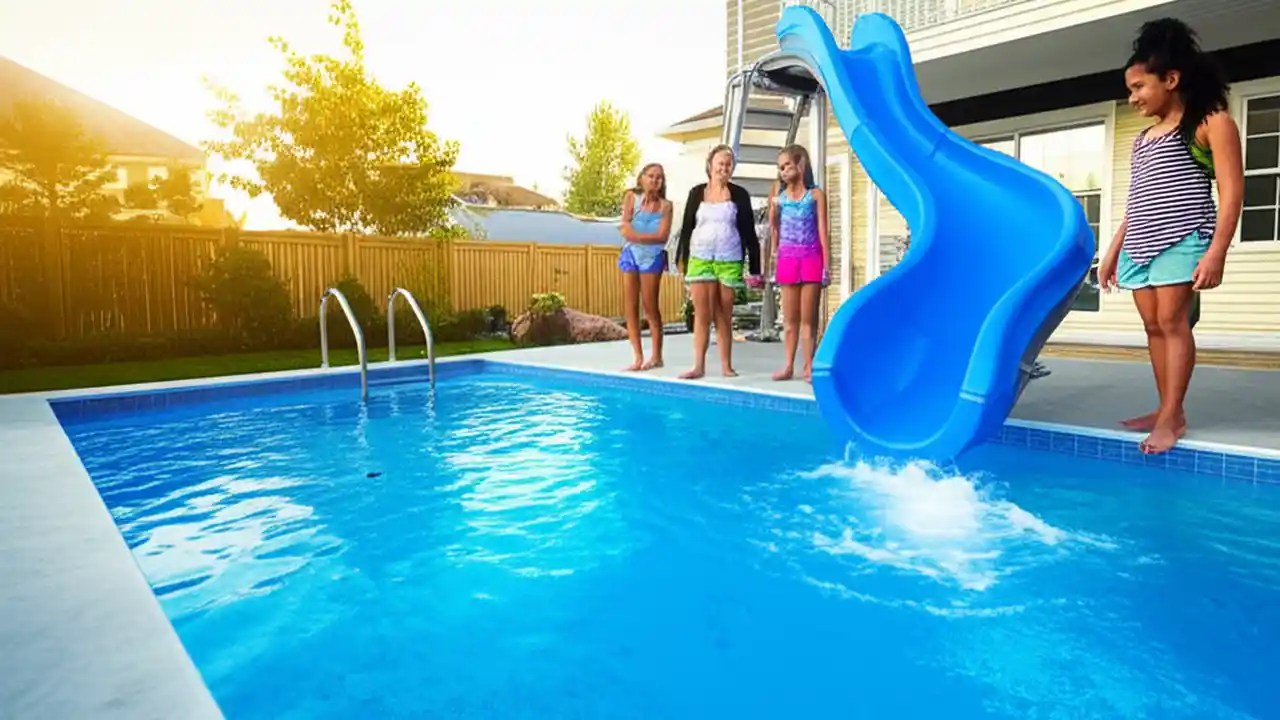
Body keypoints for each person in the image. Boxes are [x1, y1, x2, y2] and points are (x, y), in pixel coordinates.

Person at [1097, 18, 1243, 455]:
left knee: (1173, 324)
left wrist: (1217, 252)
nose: (1132, 97)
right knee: (1152, 327)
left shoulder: (1211, 123)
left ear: (1171, 79)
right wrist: (1112, 251)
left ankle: (1170, 417)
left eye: (1139, 87)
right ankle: (1167, 410)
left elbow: (1232, 191)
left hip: (1184, 240)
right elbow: (1136, 201)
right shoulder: (1142, 139)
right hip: (1140, 244)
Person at [674, 144, 763, 379]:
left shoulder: (739, 194)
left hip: (729, 258)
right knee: (702, 315)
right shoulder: (697, 193)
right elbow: (686, 228)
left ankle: (726, 366)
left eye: (728, 163)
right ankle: (698, 366)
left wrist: (755, 267)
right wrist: (681, 258)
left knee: (724, 314)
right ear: (710, 165)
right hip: (700, 257)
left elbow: (749, 232)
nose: (724, 167)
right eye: (720, 163)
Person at [768, 144, 829, 382]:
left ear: (800, 165)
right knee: (790, 318)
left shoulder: (815, 195)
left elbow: (823, 230)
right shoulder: (779, 196)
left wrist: (827, 264)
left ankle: (809, 365)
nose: (783, 171)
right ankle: (788, 364)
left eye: (787, 166)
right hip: (787, 258)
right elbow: (774, 228)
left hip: (811, 257)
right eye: (780, 168)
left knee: (808, 318)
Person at [618, 163, 673, 371]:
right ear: (642, 178)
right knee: (630, 307)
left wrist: (637, 236)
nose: (655, 180)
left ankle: (657, 356)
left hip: (652, 257)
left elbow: (662, 236)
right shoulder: (632, 198)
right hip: (631, 254)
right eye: (651, 176)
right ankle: (638, 357)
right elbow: (625, 227)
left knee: (650, 306)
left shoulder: (666, 206)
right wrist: (638, 237)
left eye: (659, 177)